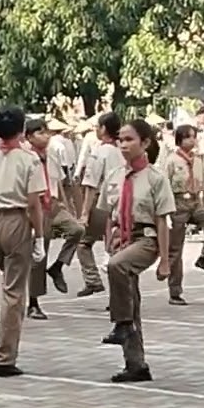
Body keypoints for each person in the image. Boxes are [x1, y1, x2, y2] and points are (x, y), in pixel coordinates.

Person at [99, 120, 176, 382]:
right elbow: (109, 214)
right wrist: (108, 241)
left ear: (145, 143)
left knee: (117, 267)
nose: (123, 145)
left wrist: (165, 261)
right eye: (120, 139)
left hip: (146, 239)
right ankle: (136, 364)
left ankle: (121, 323)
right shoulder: (114, 176)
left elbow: (163, 221)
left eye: (130, 139)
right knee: (131, 298)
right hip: (122, 239)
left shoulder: (156, 178)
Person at [0, 107, 45, 376]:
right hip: (16, 220)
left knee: (9, 282)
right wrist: (39, 237)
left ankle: (4, 328)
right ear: (22, 129)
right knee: (14, 292)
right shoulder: (29, 160)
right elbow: (33, 204)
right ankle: (5, 356)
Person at [24, 118, 84, 319]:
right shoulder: (26, 157)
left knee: (77, 230)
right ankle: (33, 302)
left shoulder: (52, 155)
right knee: (39, 254)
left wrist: (66, 207)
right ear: (30, 136)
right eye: (40, 133)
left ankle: (58, 266)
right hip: (36, 207)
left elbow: (58, 182)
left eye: (46, 132)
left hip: (54, 205)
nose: (46, 136)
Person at [163, 124, 204, 305]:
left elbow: (203, 183)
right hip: (177, 204)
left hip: (195, 202)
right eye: (188, 137)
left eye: (194, 137)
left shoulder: (198, 160)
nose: (192, 140)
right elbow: (165, 185)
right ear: (180, 139)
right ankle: (175, 291)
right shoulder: (172, 160)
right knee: (176, 251)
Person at [75, 112, 126, 297]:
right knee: (116, 249)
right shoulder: (124, 150)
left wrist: (85, 213)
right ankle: (118, 295)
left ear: (104, 129)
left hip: (102, 202)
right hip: (123, 201)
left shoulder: (99, 152)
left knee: (83, 243)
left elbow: (90, 185)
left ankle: (92, 279)